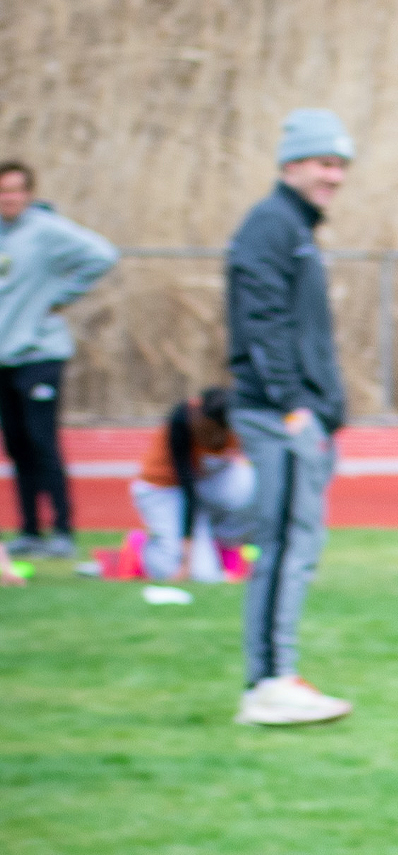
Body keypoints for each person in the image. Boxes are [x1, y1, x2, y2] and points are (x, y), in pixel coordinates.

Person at [226, 109, 355, 727]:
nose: (333, 175)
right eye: (323, 162)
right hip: (280, 415)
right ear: (291, 165)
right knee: (283, 546)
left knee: (296, 543)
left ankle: (276, 674)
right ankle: (269, 681)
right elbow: (262, 324)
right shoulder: (270, 227)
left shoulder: (292, 227)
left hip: (298, 414)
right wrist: (294, 406)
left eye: (339, 165)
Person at [0, 159, 119, 561]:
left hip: (40, 354)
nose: (9, 198)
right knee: (16, 445)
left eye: (16, 190)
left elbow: (102, 255)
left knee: (41, 440)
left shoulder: (47, 231)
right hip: (5, 357)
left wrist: (59, 298)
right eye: (2, 191)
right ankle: (30, 530)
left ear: (28, 193)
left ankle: (63, 530)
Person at [130, 388, 256, 583]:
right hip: (166, 490)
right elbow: (187, 492)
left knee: (251, 483)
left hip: (206, 483)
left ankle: (222, 544)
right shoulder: (183, 419)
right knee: (202, 576)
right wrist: (186, 560)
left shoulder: (237, 421)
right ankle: (142, 547)